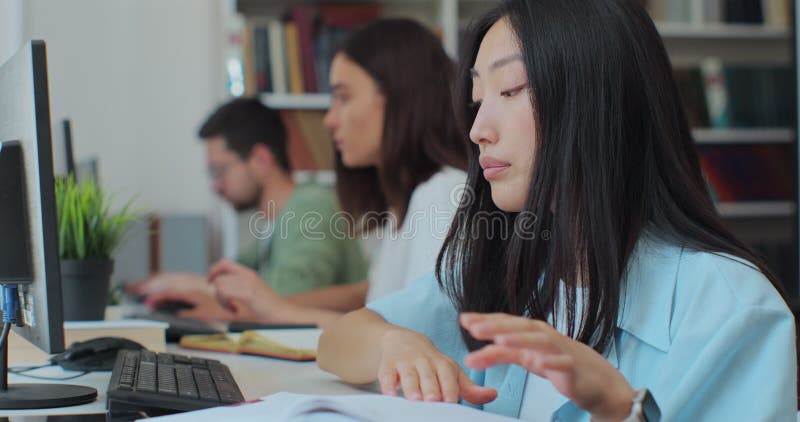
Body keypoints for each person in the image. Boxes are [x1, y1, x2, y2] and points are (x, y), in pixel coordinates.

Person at [316, 1, 797, 420]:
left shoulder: (729, 308)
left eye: (510, 90)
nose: (477, 129)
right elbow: (338, 341)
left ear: (597, 97)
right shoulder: (511, 266)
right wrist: (392, 343)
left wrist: (619, 411)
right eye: (477, 98)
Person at [208, 19, 469, 327]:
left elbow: (412, 344)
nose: (329, 120)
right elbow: (374, 299)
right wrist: (265, 304)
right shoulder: (405, 205)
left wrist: (280, 311)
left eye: (343, 97)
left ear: (401, 97)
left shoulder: (441, 194)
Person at [129, 98, 368, 321]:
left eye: (219, 171)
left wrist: (191, 285)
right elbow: (239, 273)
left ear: (261, 160)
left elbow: (288, 293)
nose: (215, 185)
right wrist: (182, 284)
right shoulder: (275, 219)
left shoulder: (311, 205)